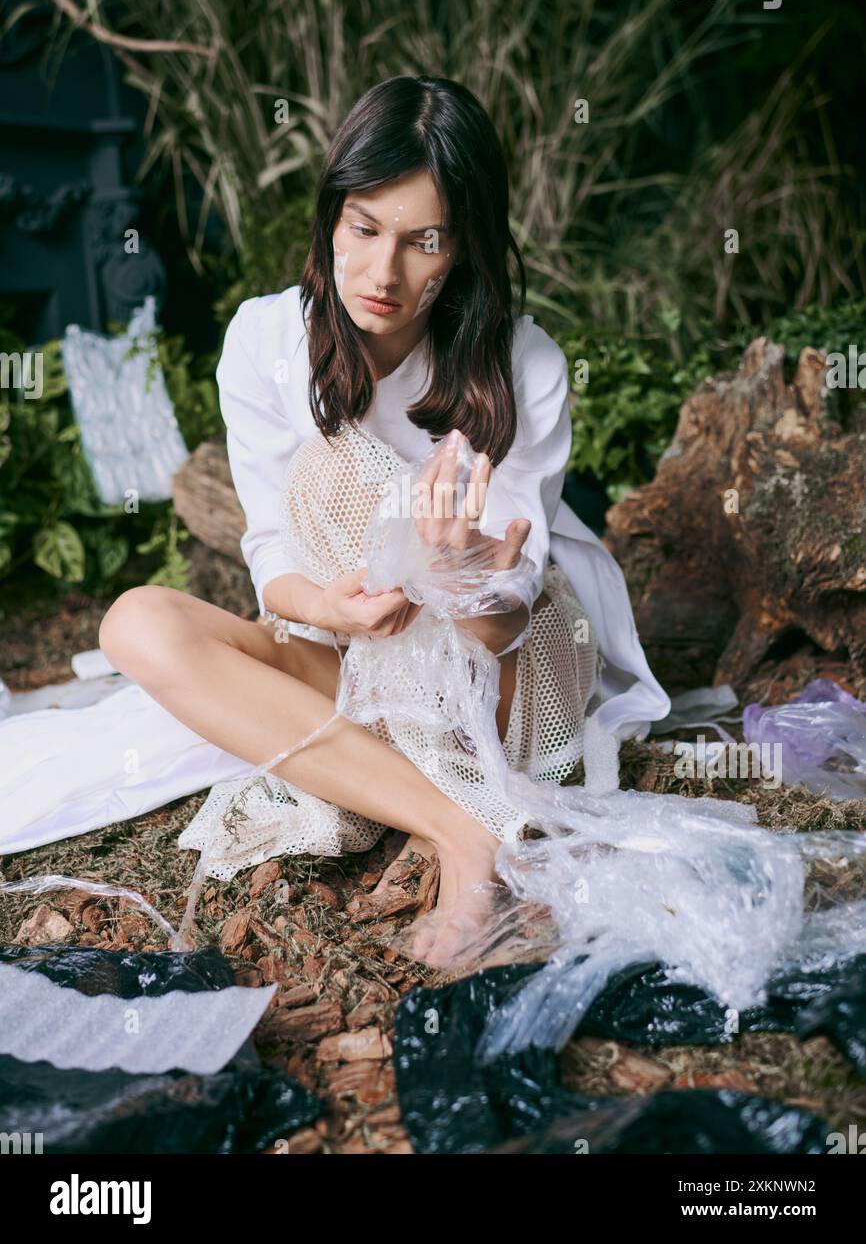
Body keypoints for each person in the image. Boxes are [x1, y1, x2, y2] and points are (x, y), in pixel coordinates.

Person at [2, 76, 670, 966]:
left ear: (463, 245)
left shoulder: (522, 363)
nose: (383, 274)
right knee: (137, 622)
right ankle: (457, 824)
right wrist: (330, 608)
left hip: (500, 682)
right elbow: (272, 554)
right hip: (355, 650)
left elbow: (511, 623)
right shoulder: (268, 342)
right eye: (363, 229)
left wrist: (461, 568)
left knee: (508, 600)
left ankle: (451, 812)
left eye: (422, 242)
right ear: (331, 219)